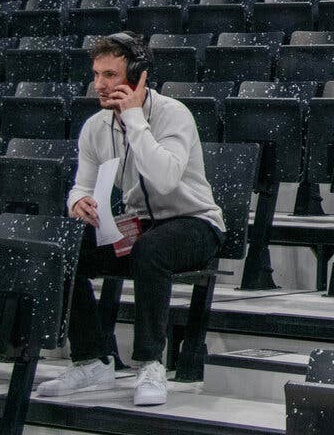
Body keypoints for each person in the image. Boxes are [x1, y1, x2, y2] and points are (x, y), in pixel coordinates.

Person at [36, 32, 224, 407]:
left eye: (110, 75)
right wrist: (79, 202)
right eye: (96, 74)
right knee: (66, 249)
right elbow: (80, 185)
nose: (100, 85)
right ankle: (91, 359)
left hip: (196, 223)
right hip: (140, 225)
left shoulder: (173, 115)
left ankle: (150, 363)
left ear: (138, 76)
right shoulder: (95, 127)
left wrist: (135, 118)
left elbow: (166, 178)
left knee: (150, 250)